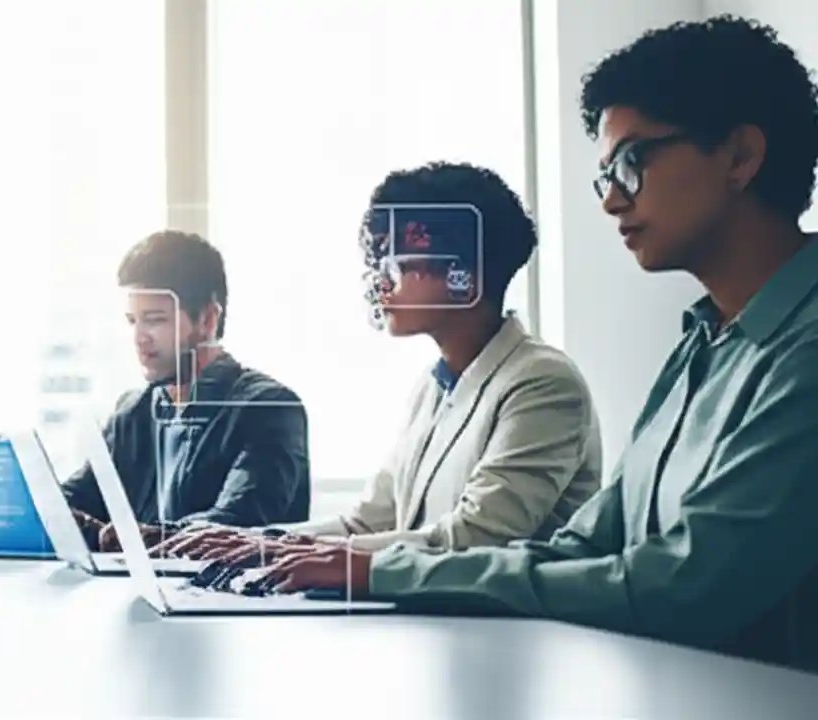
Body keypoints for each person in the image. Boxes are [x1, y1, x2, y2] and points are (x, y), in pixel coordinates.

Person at [253, 15, 818, 671]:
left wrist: (383, 575)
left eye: (632, 163)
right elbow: (587, 545)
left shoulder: (803, 350)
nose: (611, 201)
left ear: (741, 157)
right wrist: (343, 564)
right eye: (604, 174)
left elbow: (686, 584)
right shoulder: (704, 341)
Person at [155, 163, 602, 563]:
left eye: (396, 257)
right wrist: (254, 543)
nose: (381, 277)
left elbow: (474, 539)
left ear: (462, 268)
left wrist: (277, 550)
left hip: (513, 640)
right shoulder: (432, 389)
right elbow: (366, 524)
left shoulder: (542, 383)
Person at [61, 230, 310, 551]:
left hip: (228, 598)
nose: (139, 337)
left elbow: (238, 522)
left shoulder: (269, 408)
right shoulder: (132, 412)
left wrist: (140, 538)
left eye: (154, 320)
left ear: (207, 319)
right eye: (132, 321)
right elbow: (68, 500)